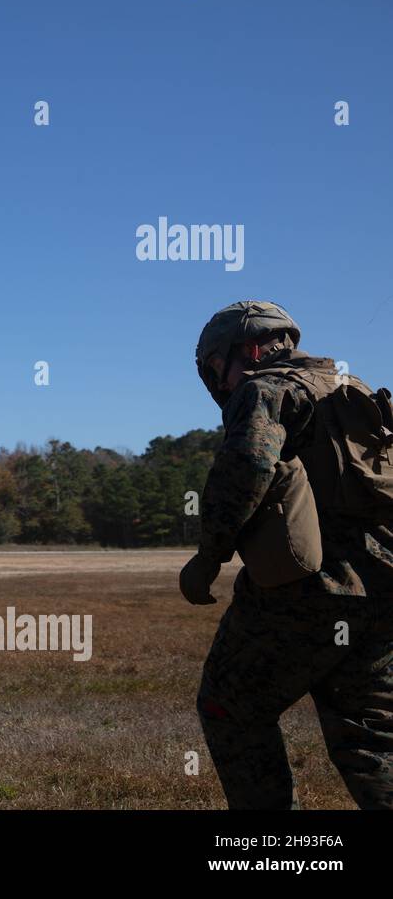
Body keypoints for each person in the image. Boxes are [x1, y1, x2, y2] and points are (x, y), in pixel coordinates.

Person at [184, 300, 393, 809]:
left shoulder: (264, 389)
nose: (221, 385)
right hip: (381, 593)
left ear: (248, 350)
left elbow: (247, 469)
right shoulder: (354, 390)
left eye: (217, 370)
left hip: (308, 593)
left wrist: (208, 558)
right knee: (370, 741)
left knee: (228, 706)